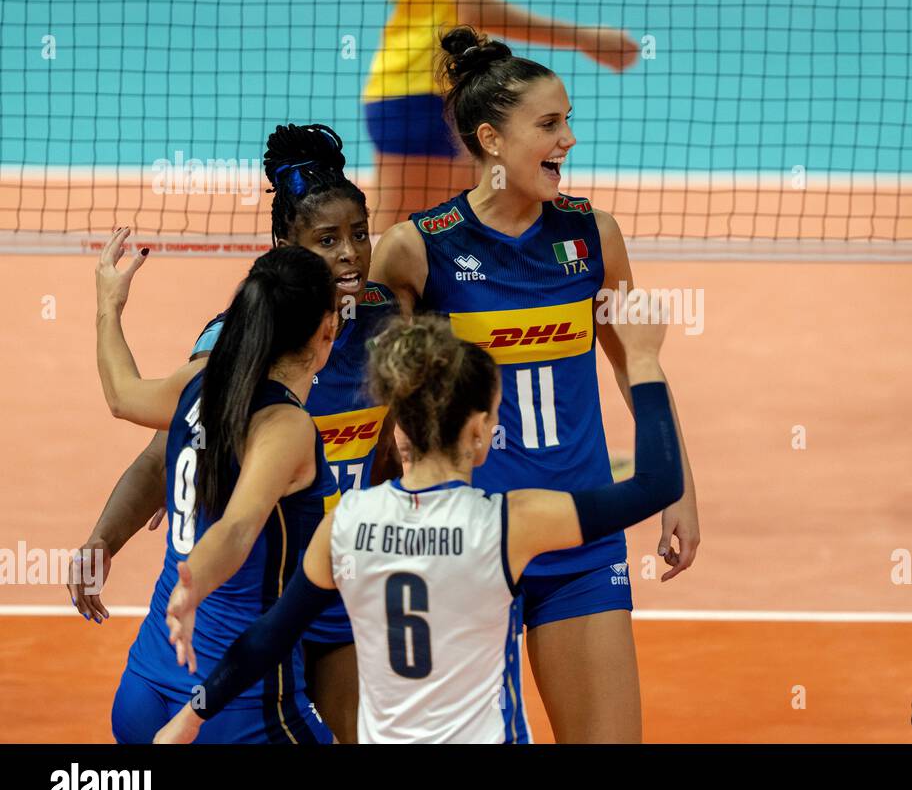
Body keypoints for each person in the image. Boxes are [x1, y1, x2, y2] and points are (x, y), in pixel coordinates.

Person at [371, 26, 700, 744]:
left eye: (569, 121)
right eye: (550, 125)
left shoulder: (591, 237)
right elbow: (372, 398)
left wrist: (678, 491)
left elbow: (634, 363)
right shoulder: (415, 249)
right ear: (491, 139)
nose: (569, 141)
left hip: (581, 530)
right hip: (465, 538)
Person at [154, 304, 683, 743]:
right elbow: (658, 485)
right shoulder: (508, 524)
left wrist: (189, 717)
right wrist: (642, 360)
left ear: (399, 433)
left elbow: (267, 637)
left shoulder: (347, 526)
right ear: (477, 434)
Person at [68, 124, 401, 743]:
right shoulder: (235, 346)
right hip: (254, 598)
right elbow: (161, 456)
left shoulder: (389, 318)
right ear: (285, 249)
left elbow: (395, 447)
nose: (351, 253)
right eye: (327, 241)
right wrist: (105, 538)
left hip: (336, 593)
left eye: (360, 234)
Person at [96, 236, 339, 743]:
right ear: (327, 328)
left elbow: (121, 395)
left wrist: (109, 306)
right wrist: (193, 587)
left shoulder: (199, 382)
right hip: (237, 707)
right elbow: (237, 528)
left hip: (144, 688)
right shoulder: (285, 425)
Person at [361, 0, 640, 230]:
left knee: (427, 248)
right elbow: (475, 9)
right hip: (431, 84)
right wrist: (586, 38)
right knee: (411, 254)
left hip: (413, 80)